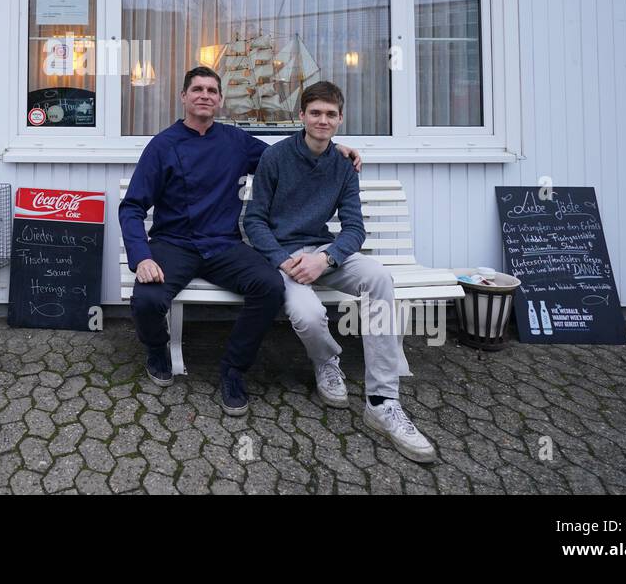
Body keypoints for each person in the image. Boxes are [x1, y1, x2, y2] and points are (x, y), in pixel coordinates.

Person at [119, 66, 360, 416]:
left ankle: (233, 369)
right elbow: (132, 207)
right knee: (147, 299)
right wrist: (142, 257)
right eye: (197, 89)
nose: (205, 95)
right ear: (183, 97)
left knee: (269, 287)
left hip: (223, 245)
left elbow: (290, 155)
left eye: (212, 90)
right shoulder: (162, 146)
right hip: (174, 243)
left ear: (219, 101)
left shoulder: (234, 141)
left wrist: (334, 148)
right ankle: (157, 349)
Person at [243, 81, 437, 463]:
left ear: (340, 119)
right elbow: (255, 221)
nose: (323, 120)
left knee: (378, 276)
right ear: (301, 116)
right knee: (307, 315)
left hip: (324, 252)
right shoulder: (276, 158)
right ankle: (327, 360)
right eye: (315, 112)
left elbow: (354, 227)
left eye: (330, 114)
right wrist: (284, 260)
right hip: (285, 258)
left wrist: (327, 258)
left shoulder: (344, 166)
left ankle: (382, 401)